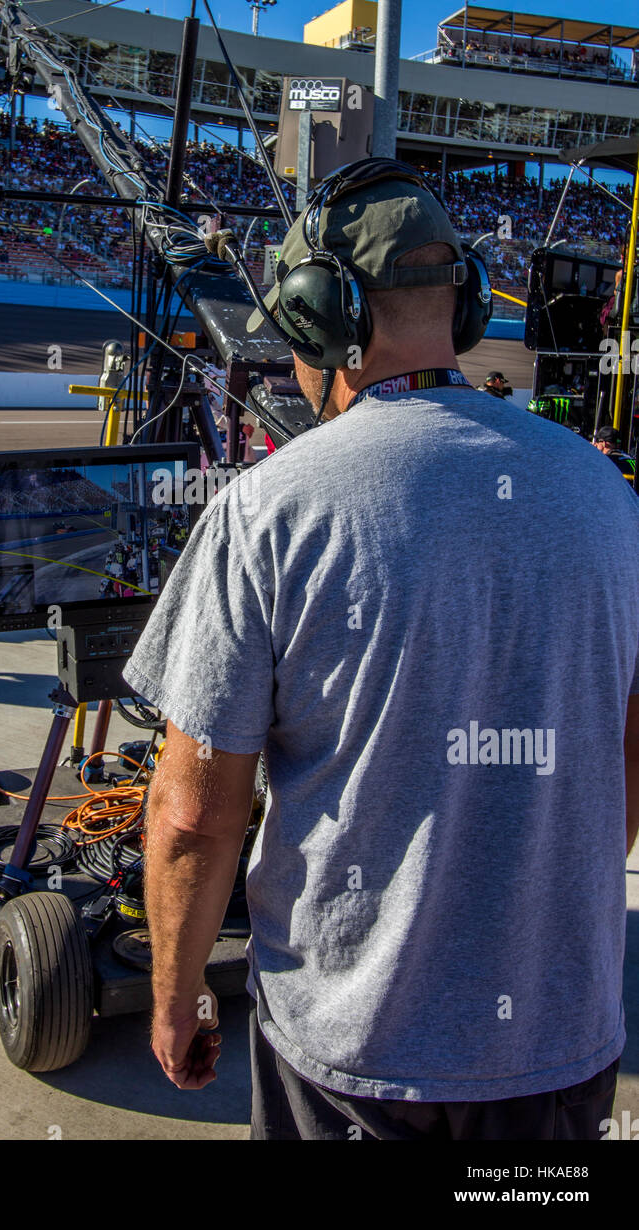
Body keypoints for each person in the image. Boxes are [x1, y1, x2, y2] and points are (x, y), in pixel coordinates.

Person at [123, 162, 639, 1141]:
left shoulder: (265, 514)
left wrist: (178, 997)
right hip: (561, 1046)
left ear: (319, 315)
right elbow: (626, 750)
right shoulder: (607, 499)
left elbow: (192, 816)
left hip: (355, 1059)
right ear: (467, 303)